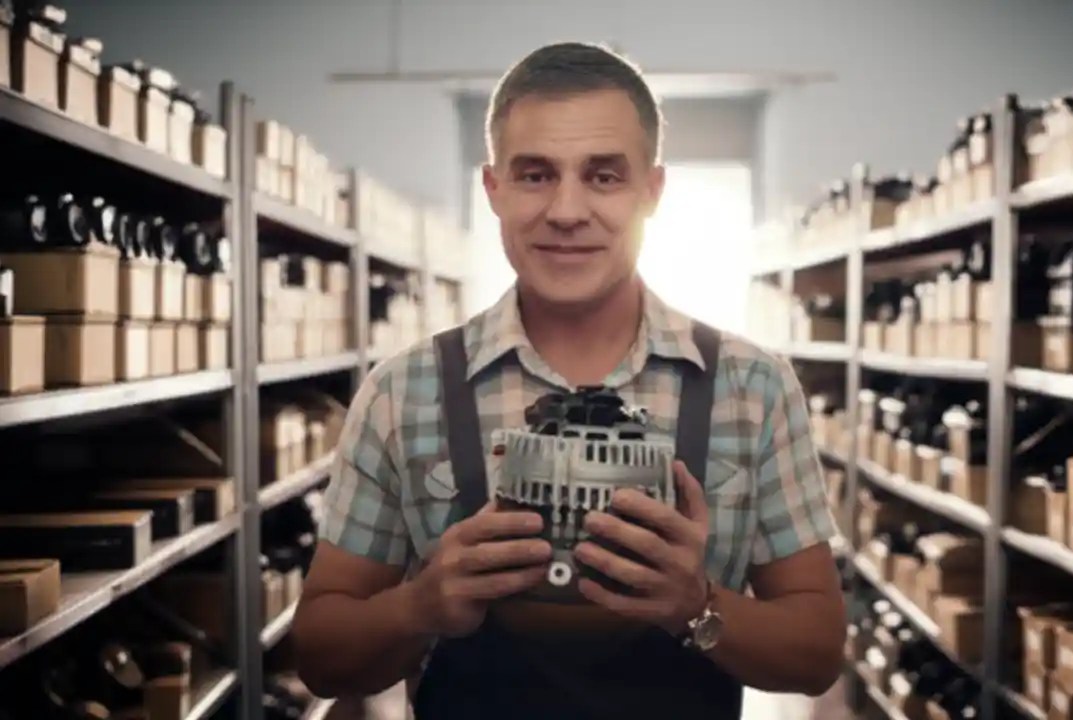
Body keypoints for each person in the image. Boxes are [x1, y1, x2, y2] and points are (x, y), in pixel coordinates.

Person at [292, 41, 845, 719]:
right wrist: (421, 604)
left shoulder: (751, 387)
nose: (566, 209)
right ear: (493, 189)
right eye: (534, 175)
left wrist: (697, 605)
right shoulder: (402, 392)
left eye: (604, 177)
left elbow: (819, 652)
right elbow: (318, 658)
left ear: (652, 192)